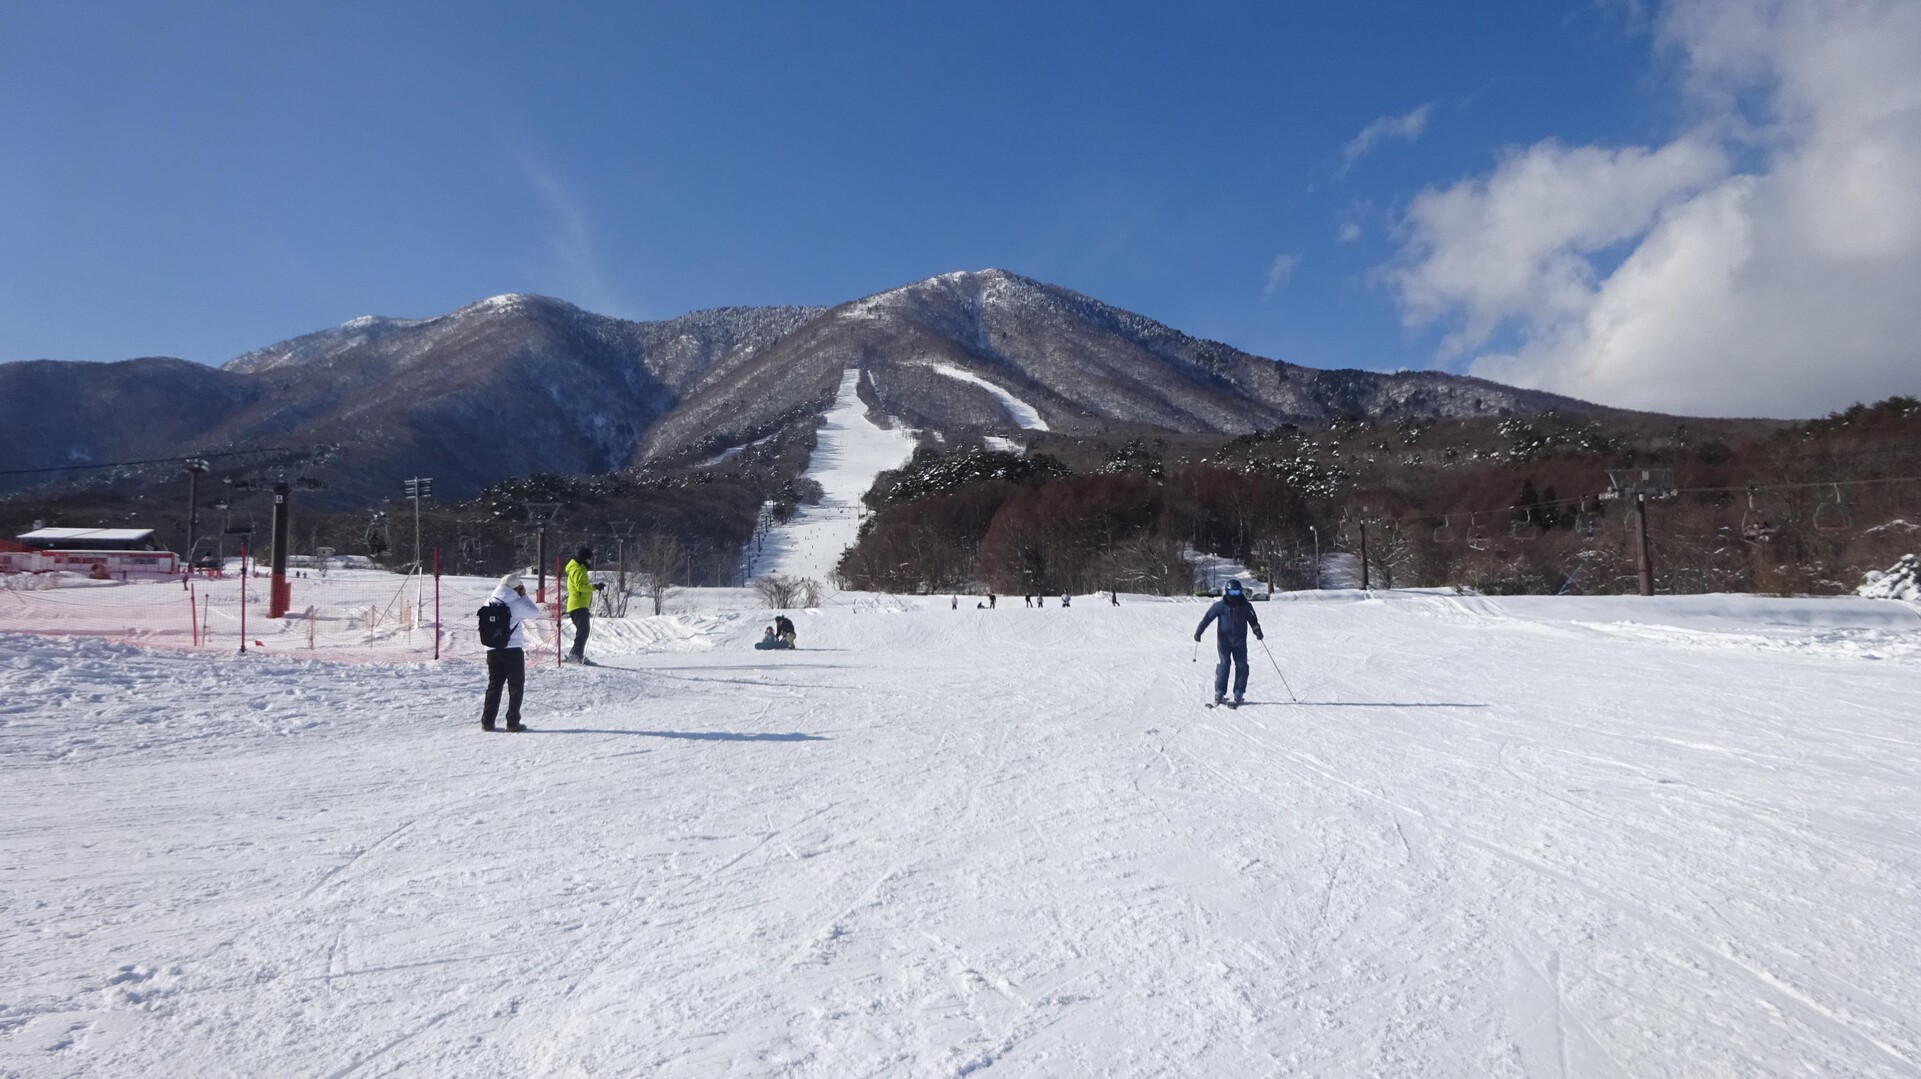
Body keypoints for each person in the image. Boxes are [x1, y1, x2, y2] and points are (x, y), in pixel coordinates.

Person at [482, 572, 544, 732]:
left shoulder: (489, 601)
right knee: (516, 686)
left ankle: (487, 721)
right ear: (517, 587)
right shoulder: (516, 603)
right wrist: (523, 596)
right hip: (512, 649)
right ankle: (512, 722)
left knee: (494, 685)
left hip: (492, 649)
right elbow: (535, 613)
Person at [1194, 578, 1264, 707]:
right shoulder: (1220, 606)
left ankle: (1238, 693)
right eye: (1232, 593)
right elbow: (1207, 618)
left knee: (1242, 666)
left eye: (1237, 592)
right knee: (1224, 664)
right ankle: (1219, 692)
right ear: (1227, 592)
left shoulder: (1245, 606)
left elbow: (1253, 620)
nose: (1234, 595)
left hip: (1240, 642)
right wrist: (1199, 632)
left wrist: (1257, 631)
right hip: (1224, 642)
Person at [563, 546, 603, 665]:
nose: (590, 562)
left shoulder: (579, 569)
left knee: (583, 630)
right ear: (583, 559)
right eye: (589, 559)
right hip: (578, 604)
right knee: (584, 630)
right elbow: (580, 587)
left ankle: (576, 653)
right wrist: (594, 587)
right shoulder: (577, 570)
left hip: (580, 604)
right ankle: (576, 654)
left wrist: (594, 587)